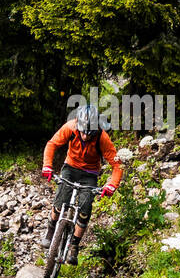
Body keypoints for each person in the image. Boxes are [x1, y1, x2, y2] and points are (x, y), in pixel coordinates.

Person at [38, 103, 125, 264]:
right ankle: (50, 231)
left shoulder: (102, 137)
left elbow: (117, 165)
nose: (85, 136)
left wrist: (112, 185)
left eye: (89, 133)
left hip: (90, 173)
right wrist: (47, 166)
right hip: (70, 167)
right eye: (83, 132)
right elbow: (52, 145)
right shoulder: (70, 128)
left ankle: (74, 246)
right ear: (78, 124)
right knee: (60, 200)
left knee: (85, 208)